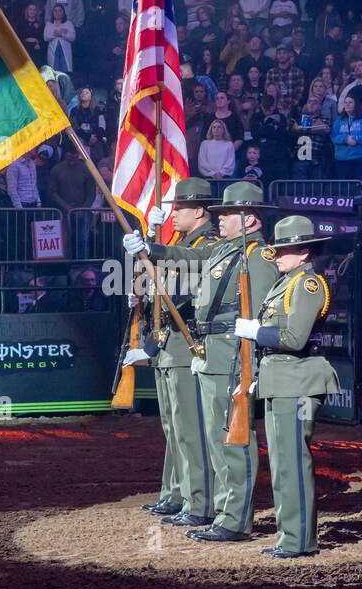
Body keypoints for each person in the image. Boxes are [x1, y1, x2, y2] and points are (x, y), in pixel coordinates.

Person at [124, 182, 280, 544]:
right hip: (212, 348)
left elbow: (254, 311)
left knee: (232, 436)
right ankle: (223, 511)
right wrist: (150, 245)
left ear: (251, 219)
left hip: (232, 349)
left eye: (227, 214)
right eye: (220, 213)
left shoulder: (258, 255)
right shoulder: (224, 250)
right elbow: (187, 259)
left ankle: (235, 518)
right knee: (214, 436)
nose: (219, 218)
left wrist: (249, 352)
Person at [232, 215, 340, 558]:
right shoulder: (285, 283)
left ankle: (299, 541)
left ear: (304, 252)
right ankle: (288, 536)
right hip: (281, 381)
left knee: (292, 461)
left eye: (285, 249)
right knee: (281, 464)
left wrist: (255, 332)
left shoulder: (306, 285)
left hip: (299, 379)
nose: (276, 255)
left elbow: (294, 339)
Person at [123, 178, 220, 524]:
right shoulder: (180, 242)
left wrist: (152, 247)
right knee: (174, 426)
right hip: (168, 343)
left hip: (186, 343)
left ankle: (199, 502)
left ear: (199, 211)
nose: (171, 213)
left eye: (178, 208)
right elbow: (155, 287)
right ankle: (176, 492)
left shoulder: (208, 245)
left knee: (190, 428)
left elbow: (180, 296)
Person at [331, 92, 362, 182]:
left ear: (356, 104)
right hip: (343, 159)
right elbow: (334, 136)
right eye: (346, 102)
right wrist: (345, 139)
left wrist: (355, 139)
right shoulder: (339, 120)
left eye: (350, 102)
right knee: (345, 188)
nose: (347, 105)